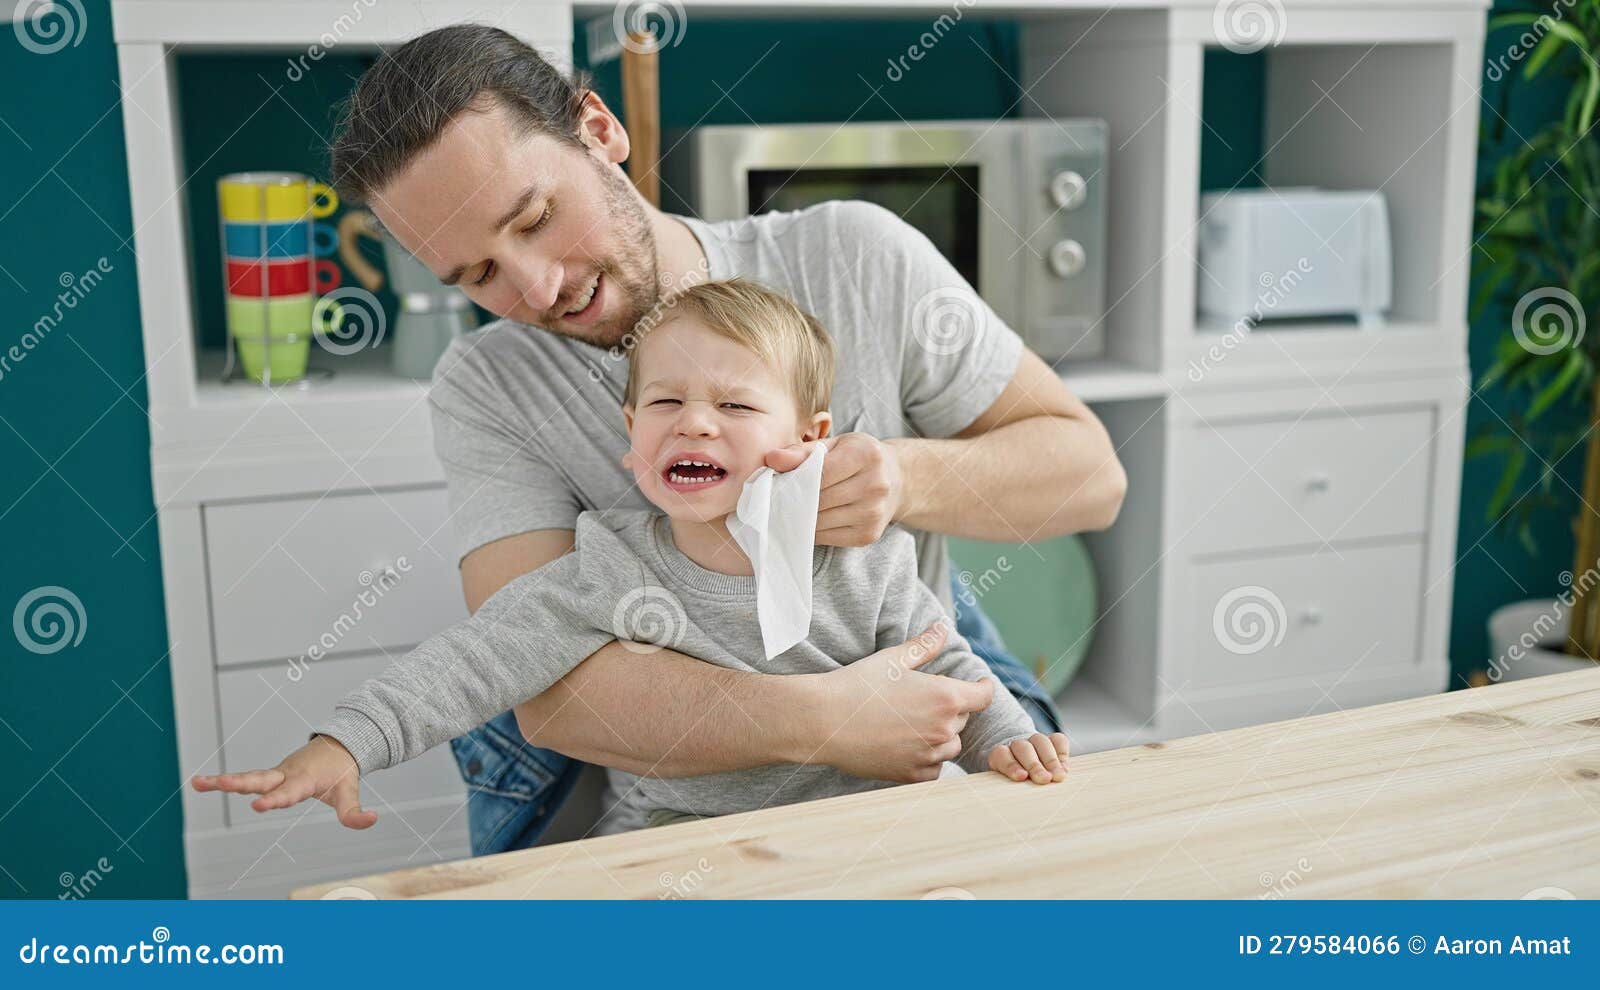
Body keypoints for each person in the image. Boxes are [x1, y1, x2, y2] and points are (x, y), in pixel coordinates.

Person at [320, 23, 1126, 853]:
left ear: (598, 130)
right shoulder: (490, 386)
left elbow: (1093, 477)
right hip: (683, 803)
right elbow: (549, 692)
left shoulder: (855, 256)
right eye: (480, 275)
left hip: (918, 691)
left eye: (536, 219)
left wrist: (906, 479)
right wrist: (828, 721)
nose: (540, 287)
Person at [191, 280, 1070, 832]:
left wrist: (1007, 741)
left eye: (735, 405)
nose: (695, 423)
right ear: (630, 432)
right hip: (674, 859)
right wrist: (346, 744)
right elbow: (473, 662)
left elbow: (948, 665)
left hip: (859, 847)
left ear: (809, 438)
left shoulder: (868, 560)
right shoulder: (608, 568)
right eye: (665, 403)